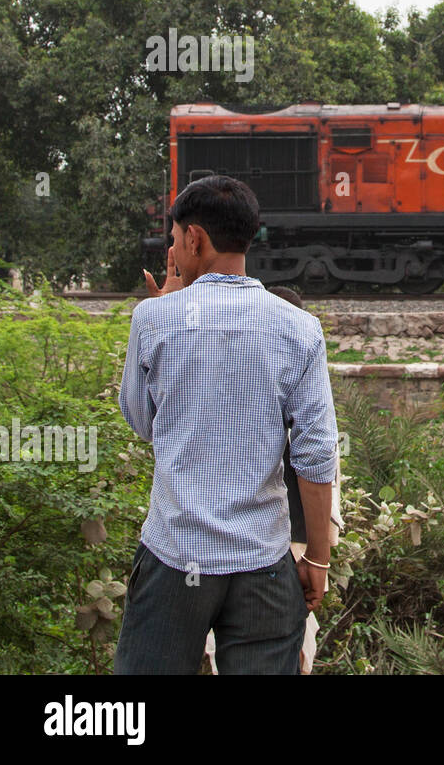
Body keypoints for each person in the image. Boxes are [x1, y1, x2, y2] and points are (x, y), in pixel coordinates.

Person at [114, 176, 339, 675]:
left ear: (195, 239)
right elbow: (316, 454)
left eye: (174, 241)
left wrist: (162, 303)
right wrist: (317, 560)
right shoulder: (299, 328)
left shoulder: (153, 320)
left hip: (175, 556)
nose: (174, 250)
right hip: (262, 560)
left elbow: (143, 423)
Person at [204, 285, 344, 676]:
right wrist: (320, 557)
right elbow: (325, 479)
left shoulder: (238, 394)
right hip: (285, 548)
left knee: (246, 649)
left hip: (251, 547)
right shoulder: (309, 400)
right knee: (290, 647)